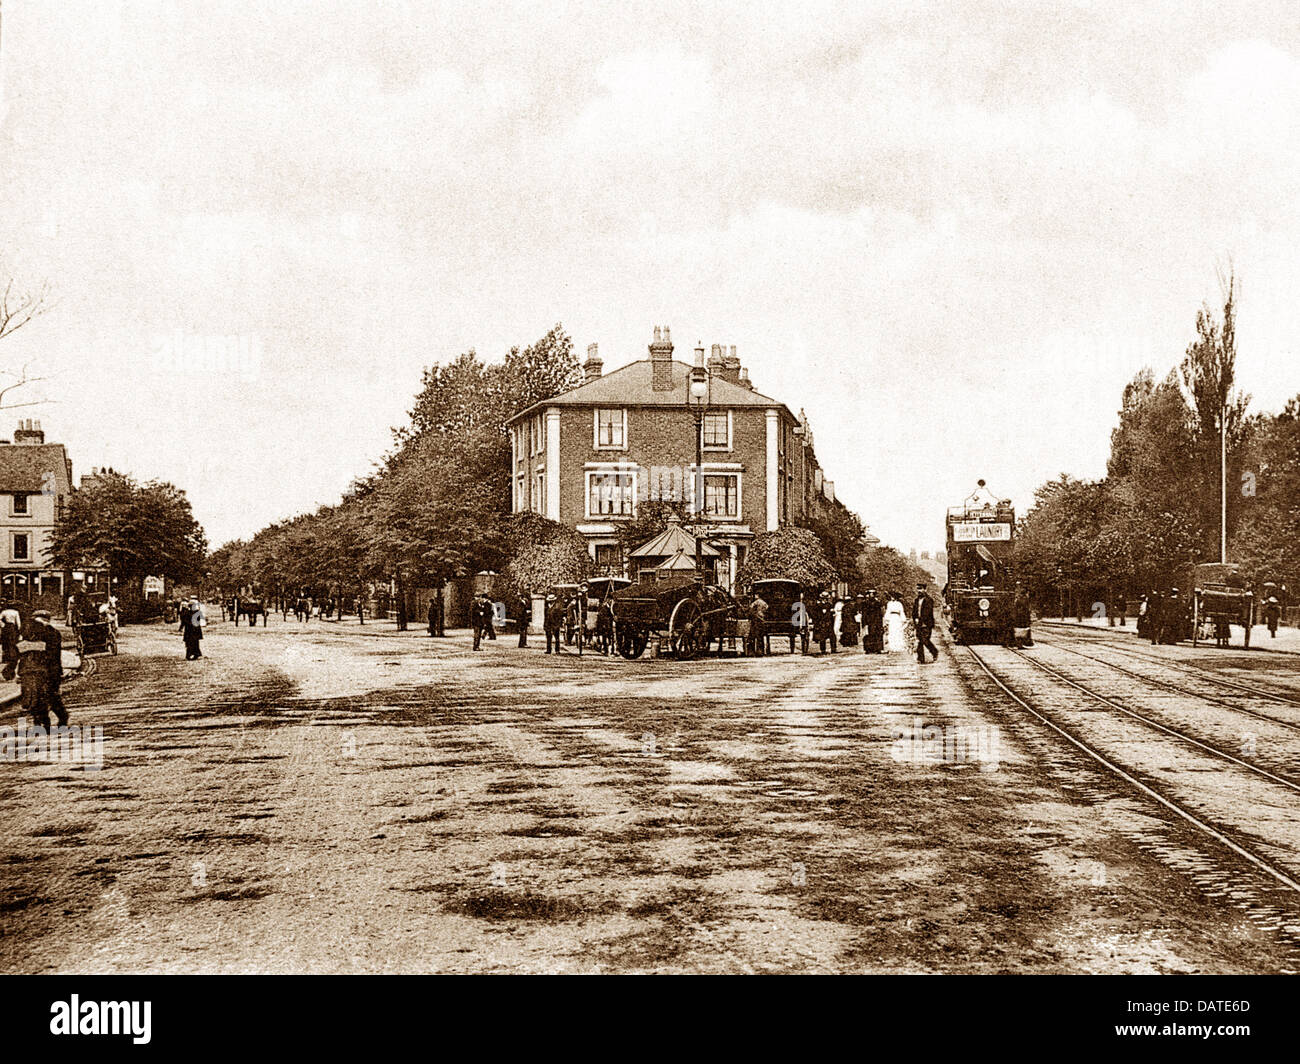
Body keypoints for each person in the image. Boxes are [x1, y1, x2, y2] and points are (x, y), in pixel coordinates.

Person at [20, 610, 68, 729]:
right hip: (37, 669)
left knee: (47, 695)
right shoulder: (31, 633)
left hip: (45, 669)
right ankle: (42, 720)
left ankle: (58, 717)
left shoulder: (50, 633)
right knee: (41, 696)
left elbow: (53, 654)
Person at [912, 582, 938, 663]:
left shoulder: (929, 600)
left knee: (925, 640)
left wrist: (920, 620)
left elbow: (927, 612)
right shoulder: (916, 600)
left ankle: (934, 652)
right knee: (920, 640)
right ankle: (921, 658)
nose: (919, 591)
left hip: (926, 623)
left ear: (925, 590)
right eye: (918, 589)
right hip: (918, 623)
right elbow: (914, 611)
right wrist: (915, 618)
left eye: (921, 589)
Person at [1, 600, 21, 681]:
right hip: (12, 627)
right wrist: (18, 629)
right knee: (12, 642)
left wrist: (3, 625)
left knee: (5, 642)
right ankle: (11, 655)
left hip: (6, 627)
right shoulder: (15, 612)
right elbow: (18, 622)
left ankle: (5, 656)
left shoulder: (4, 612)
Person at [861, 589, 884, 654]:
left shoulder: (877, 603)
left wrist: (880, 622)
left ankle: (877, 649)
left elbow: (880, 613)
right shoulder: (866, 603)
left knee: (877, 634)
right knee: (868, 635)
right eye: (870, 594)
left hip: (876, 621)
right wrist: (864, 623)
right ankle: (868, 649)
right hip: (869, 621)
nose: (872, 595)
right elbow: (864, 614)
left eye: (873, 594)